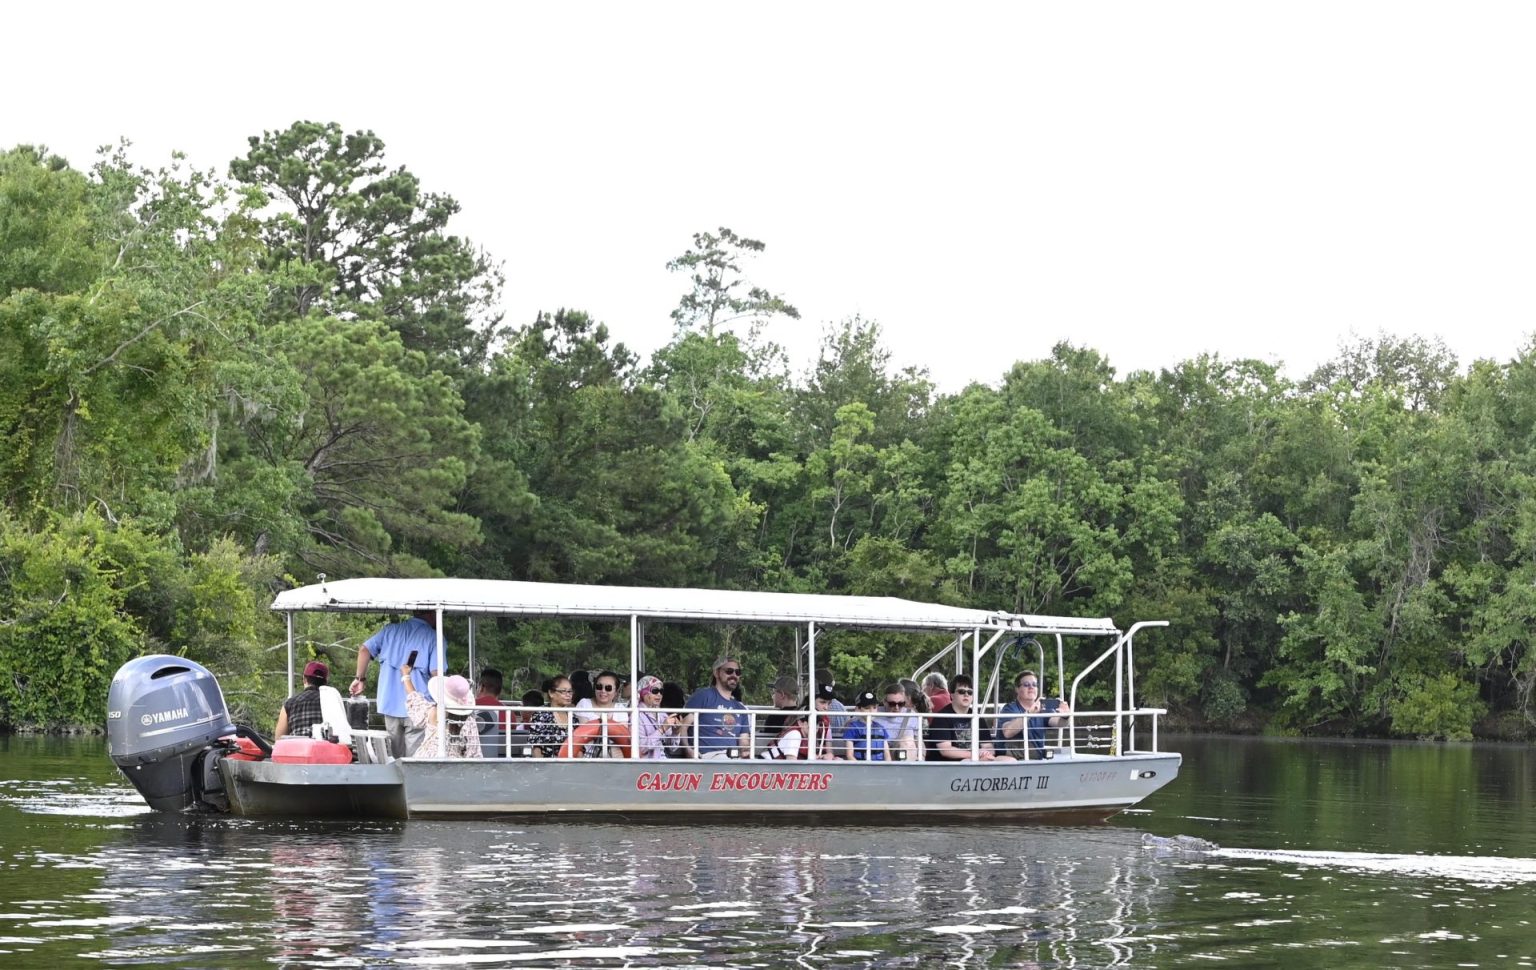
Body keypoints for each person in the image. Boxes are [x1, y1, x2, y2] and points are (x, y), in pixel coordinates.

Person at [350, 610, 439, 760]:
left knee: (394, 758)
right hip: (419, 707)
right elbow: (436, 673)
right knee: (415, 760)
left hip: (389, 704)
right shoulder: (433, 637)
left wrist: (360, 679)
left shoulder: (390, 631)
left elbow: (364, 649)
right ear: (431, 615)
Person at [401, 665, 481, 758]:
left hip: (425, 760)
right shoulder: (469, 721)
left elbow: (414, 698)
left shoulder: (433, 712)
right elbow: (473, 753)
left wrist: (406, 676)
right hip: (453, 766)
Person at [928, 674, 1011, 761]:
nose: (966, 695)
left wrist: (984, 753)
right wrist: (975, 754)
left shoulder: (977, 717)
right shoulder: (941, 718)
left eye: (970, 692)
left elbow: (988, 746)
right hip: (953, 765)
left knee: (1010, 761)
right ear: (952, 695)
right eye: (961, 692)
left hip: (977, 760)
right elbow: (946, 750)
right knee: (968, 762)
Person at [997, 670, 1071, 759]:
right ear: (1017, 689)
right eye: (1026, 684)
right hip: (1013, 759)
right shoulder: (1009, 708)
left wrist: (1066, 716)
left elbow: (1060, 723)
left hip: (1036, 760)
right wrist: (1029, 713)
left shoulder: (1042, 708)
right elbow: (1007, 732)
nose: (1031, 687)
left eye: (1034, 685)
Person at [685, 657, 749, 759]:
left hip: (733, 759)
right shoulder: (703, 696)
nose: (734, 675)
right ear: (716, 673)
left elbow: (744, 740)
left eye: (737, 672)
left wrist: (747, 755)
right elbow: (683, 725)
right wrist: (688, 750)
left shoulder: (741, 708)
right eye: (729, 671)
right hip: (709, 757)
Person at [274, 660, 330, 741]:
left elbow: (278, 739)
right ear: (325, 682)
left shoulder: (289, 704)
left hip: (297, 751)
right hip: (324, 751)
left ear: (304, 679)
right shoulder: (332, 703)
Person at [633, 674, 682, 760]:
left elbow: (672, 748)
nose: (659, 694)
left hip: (662, 762)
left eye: (661, 691)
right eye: (655, 691)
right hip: (644, 765)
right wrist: (662, 729)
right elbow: (641, 748)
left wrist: (676, 732)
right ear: (644, 692)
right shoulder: (636, 715)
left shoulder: (662, 714)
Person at [528, 675, 574, 757]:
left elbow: (579, 747)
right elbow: (536, 747)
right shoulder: (540, 714)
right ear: (551, 693)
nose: (568, 695)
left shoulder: (572, 716)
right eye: (564, 691)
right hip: (546, 766)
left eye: (570, 691)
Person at [877, 683, 922, 761]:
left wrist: (922, 758)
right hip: (880, 752)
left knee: (907, 742)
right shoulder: (874, 713)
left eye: (901, 704)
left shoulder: (912, 715)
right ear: (884, 702)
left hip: (904, 752)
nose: (897, 707)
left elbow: (918, 740)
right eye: (892, 704)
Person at [841, 691, 889, 761]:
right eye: (867, 708)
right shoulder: (853, 728)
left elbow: (887, 753)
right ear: (858, 709)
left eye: (874, 707)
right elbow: (849, 755)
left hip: (880, 768)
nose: (871, 711)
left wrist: (888, 767)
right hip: (860, 767)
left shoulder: (880, 728)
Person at [760, 674, 801, 751]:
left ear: (782, 694)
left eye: (774, 692)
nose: (772, 696)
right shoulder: (801, 715)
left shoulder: (774, 717)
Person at [475, 668, 508, 758]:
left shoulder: (470, 708)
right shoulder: (509, 714)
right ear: (500, 690)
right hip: (504, 755)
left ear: (481, 687)